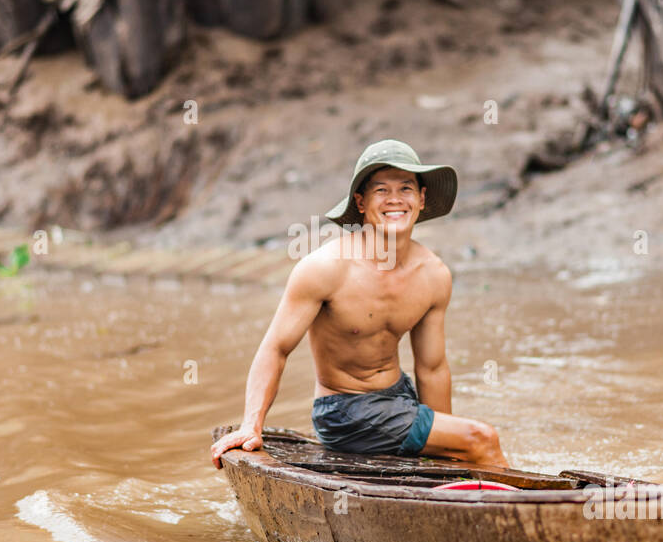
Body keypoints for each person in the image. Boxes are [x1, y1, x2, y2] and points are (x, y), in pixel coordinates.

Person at [210, 139, 508, 469]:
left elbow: (432, 368)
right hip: (344, 410)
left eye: (406, 188)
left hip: (399, 397)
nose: (395, 199)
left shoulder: (434, 274)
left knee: (466, 445)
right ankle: (515, 517)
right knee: (484, 438)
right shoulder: (325, 269)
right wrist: (252, 425)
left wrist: (447, 451)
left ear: (422, 199)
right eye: (381, 190)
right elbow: (275, 348)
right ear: (361, 202)